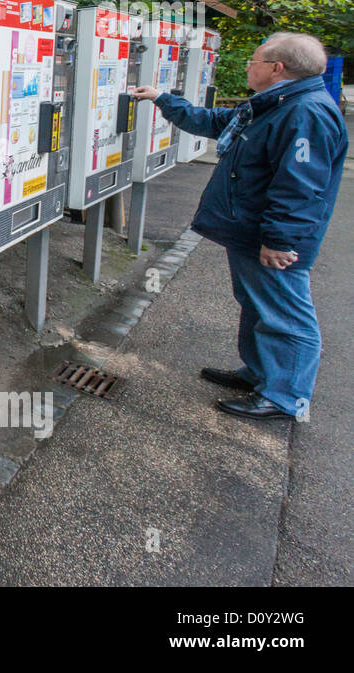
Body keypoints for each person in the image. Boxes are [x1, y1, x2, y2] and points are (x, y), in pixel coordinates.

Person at [132, 32, 347, 421]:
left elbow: (301, 187)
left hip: (276, 239)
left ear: (277, 69)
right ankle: (262, 374)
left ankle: (284, 397)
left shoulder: (305, 113)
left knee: (286, 314)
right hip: (252, 229)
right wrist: (163, 99)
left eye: (254, 60)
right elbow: (215, 121)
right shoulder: (275, 105)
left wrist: (280, 240)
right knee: (257, 305)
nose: (248, 66)